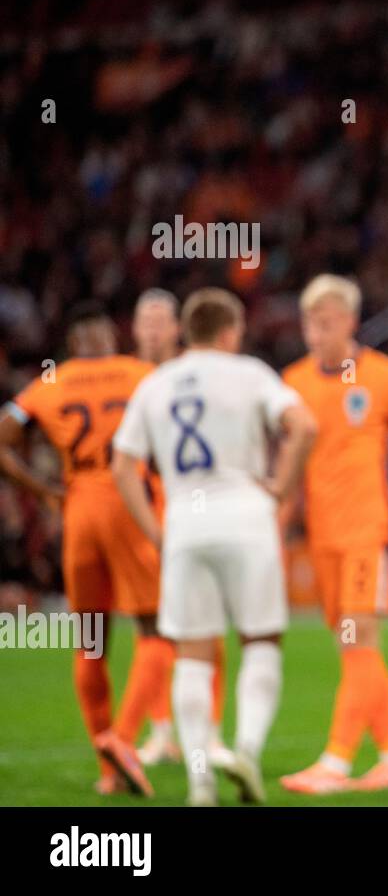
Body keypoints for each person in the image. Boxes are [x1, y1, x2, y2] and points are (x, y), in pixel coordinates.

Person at [111, 288, 317, 805]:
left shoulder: (156, 383)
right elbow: (304, 425)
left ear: (186, 330)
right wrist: (282, 485)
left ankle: (201, 780)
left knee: (193, 657)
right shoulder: (249, 373)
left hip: (185, 523)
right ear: (230, 331)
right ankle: (245, 751)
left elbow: (121, 465)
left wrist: (156, 530)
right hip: (246, 516)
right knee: (261, 641)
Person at [279, 274, 388, 793]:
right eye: (310, 322)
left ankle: (336, 761)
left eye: (326, 322)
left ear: (351, 322)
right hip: (323, 536)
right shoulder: (293, 383)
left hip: (371, 530)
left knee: (358, 643)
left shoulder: (384, 376)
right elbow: (288, 465)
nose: (316, 333)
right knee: (355, 648)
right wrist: (277, 524)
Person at [0, 301, 163, 796]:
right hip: (129, 500)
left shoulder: (54, 381)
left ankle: (108, 770)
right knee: (161, 629)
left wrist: (43, 490)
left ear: (72, 345)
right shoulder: (141, 373)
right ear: (109, 337)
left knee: (91, 640)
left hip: (78, 508)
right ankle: (125, 738)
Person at [129, 288, 231, 769]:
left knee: (204, 626)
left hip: (196, 514)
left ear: (177, 329)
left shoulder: (197, 374)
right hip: (144, 520)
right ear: (133, 329)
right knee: (150, 625)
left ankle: (211, 733)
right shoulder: (127, 380)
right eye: (144, 321)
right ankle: (161, 731)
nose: (151, 330)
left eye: (160, 321)